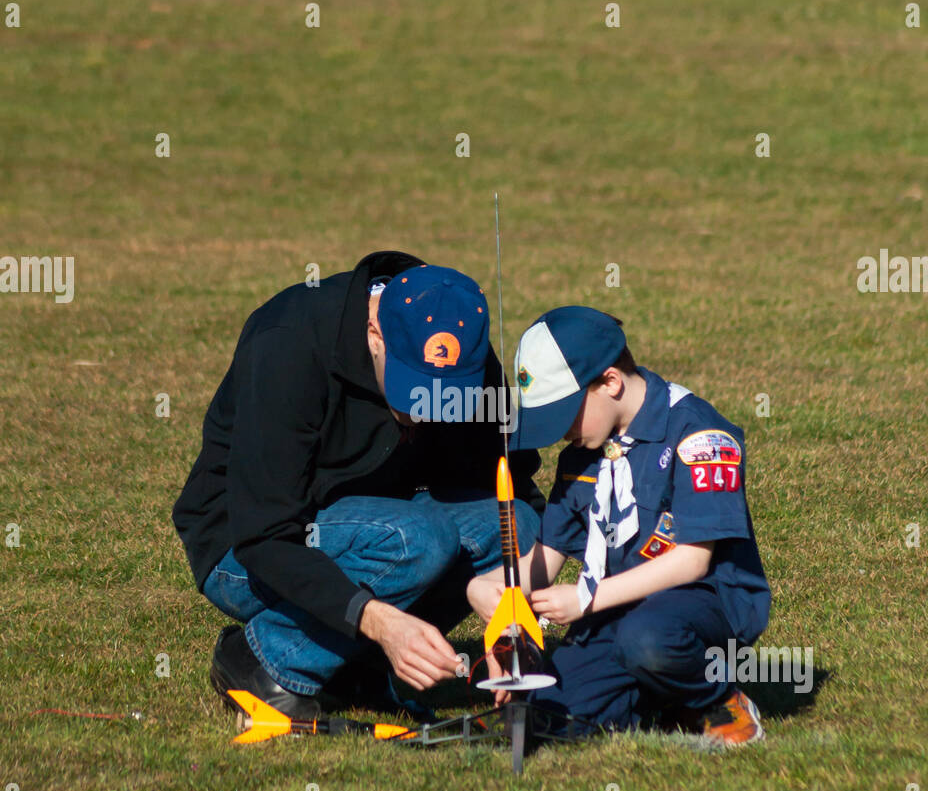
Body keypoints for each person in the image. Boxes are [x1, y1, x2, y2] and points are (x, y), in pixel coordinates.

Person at [172, 252, 541, 722]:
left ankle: (357, 667)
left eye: (445, 397)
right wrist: (378, 622)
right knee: (418, 538)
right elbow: (262, 533)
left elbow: (508, 478)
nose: (428, 411)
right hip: (244, 547)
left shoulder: (458, 347)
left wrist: (516, 605)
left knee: (520, 530)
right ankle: (262, 658)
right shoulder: (288, 343)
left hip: (385, 523)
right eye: (413, 392)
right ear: (374, 335)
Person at [466, 306, 771, 745]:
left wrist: (585, 601)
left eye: (565, 414)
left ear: (610, 382)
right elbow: (545, 559)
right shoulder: (584, 452)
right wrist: (493, 593)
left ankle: (717, 698)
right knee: (551, 714)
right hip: (617, 609)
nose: (560, 433)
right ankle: (655, 698)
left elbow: (692, 561)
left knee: (647, 639)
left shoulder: (698, 434)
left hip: (703, 603)